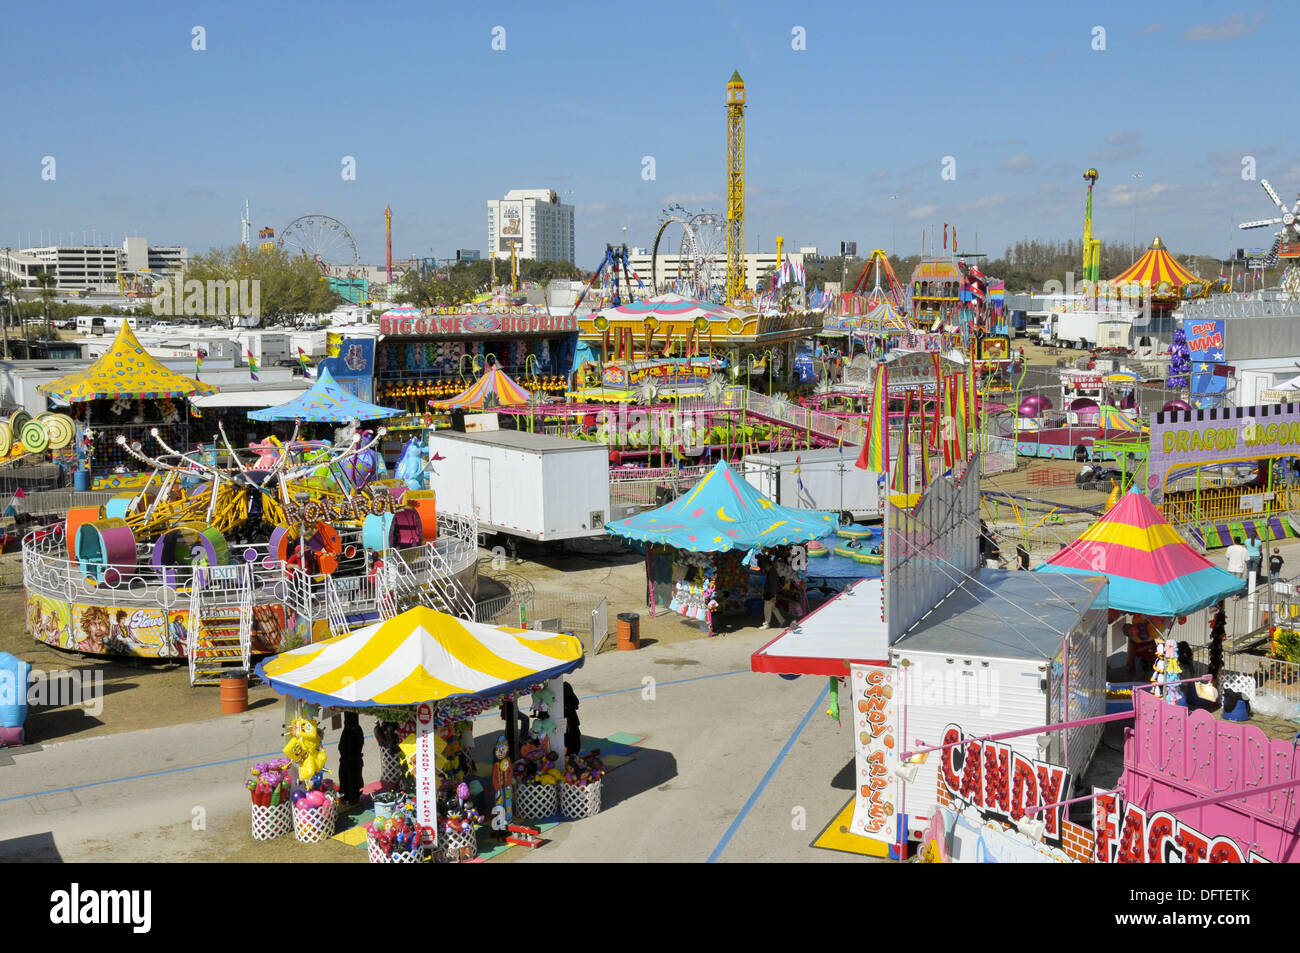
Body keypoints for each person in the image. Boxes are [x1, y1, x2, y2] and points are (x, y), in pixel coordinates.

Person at [760, 557, 787, 631]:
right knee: (773, 608)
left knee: (767, 609)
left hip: (770, 594)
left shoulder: (771, 573)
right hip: (771, 594)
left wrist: (773, 596)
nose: (765, 568)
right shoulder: (772, 572)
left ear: (769, 566)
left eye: (765, 566)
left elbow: (773, 585)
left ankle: (767, 624)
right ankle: (782, 620)